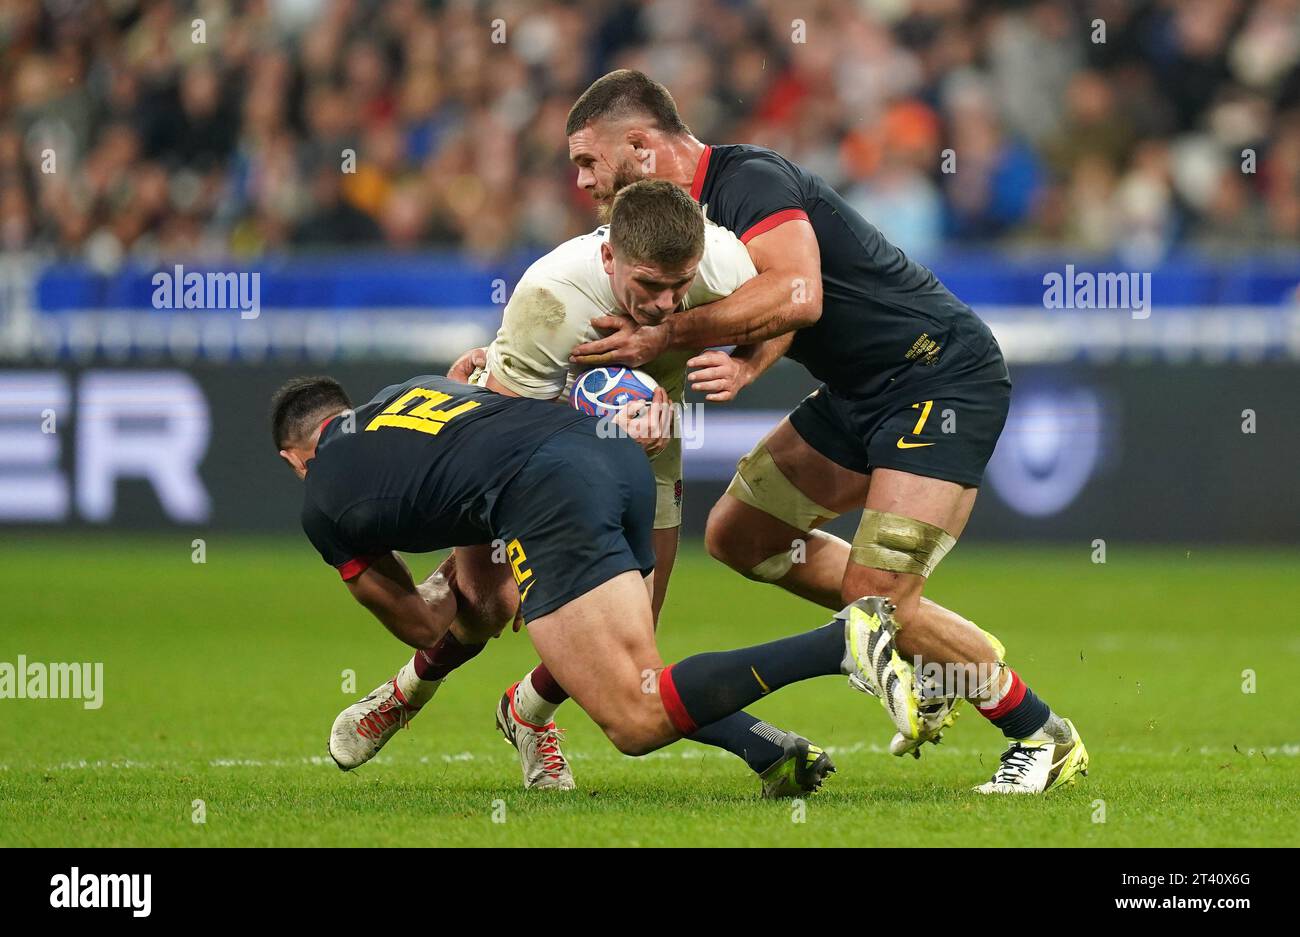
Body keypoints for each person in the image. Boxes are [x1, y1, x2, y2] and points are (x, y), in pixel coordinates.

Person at [561, 70, 1088, 794]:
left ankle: (1039, 731)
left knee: (876, 602)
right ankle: (924, 654)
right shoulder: (684, 219)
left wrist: (670, 334)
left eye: (589, 160)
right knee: (739, 536)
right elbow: (779, 296)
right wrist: (748, 360)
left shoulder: (747, 181)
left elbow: (800, 292)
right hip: (856, 393)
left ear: (642, 145)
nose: (583, 180)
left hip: (938, 378)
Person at [271, 372, 901, 794]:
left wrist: (461, 573)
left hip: (546, 497)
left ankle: (838, 643)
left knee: (634, 717)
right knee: (640, 673)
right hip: (614, 456)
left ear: (293, 460)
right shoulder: (416, 389)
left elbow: (423, 623)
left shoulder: (321, 502)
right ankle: (762, 748)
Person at [444, 179, 831, 794]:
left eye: (680, 287)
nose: (665, 304)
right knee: (488, 606)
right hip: (554, 447)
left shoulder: (723, 260)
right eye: (649, 286)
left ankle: (525, 710)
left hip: (658, 434)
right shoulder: (550, 297)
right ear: (608, 258)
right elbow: (500, 437)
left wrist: (746, 362)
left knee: (637, 637)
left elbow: (793, 302)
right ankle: (427, 688)